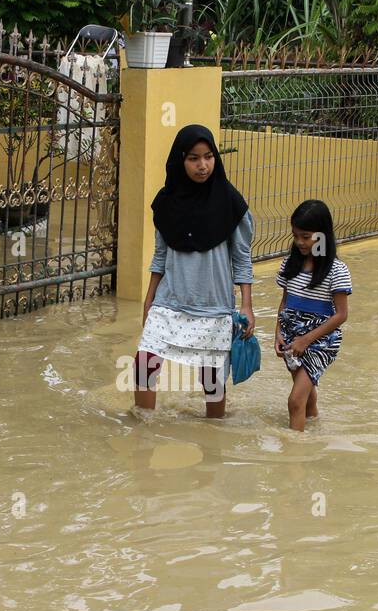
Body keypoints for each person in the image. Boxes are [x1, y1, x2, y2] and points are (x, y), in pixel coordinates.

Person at [133, 125, 255, 418]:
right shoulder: (165, 203)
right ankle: (141, 430)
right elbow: (160, 255)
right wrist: (149, 300)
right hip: (169, 300)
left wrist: (247, 305)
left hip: (213, 305)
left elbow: (242, 258)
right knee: (143, 364)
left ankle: (214, 435)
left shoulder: (231, 203)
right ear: (180, 160)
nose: (203, 165)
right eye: (193, 158)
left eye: (209, 157)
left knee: (212, 380)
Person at [274, 200, 351, 431]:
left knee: (295, 400)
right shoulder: (289, 265)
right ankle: (316, 432)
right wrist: (277, 333)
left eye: (306, 236)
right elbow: (285, 303)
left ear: (323, 235)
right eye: (296, 236)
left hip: (320, 342)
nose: (300, 242)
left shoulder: (337, 270)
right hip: (292, 337)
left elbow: (341, 315)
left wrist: (306, 340)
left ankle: (295, 454)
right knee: (307, 397)